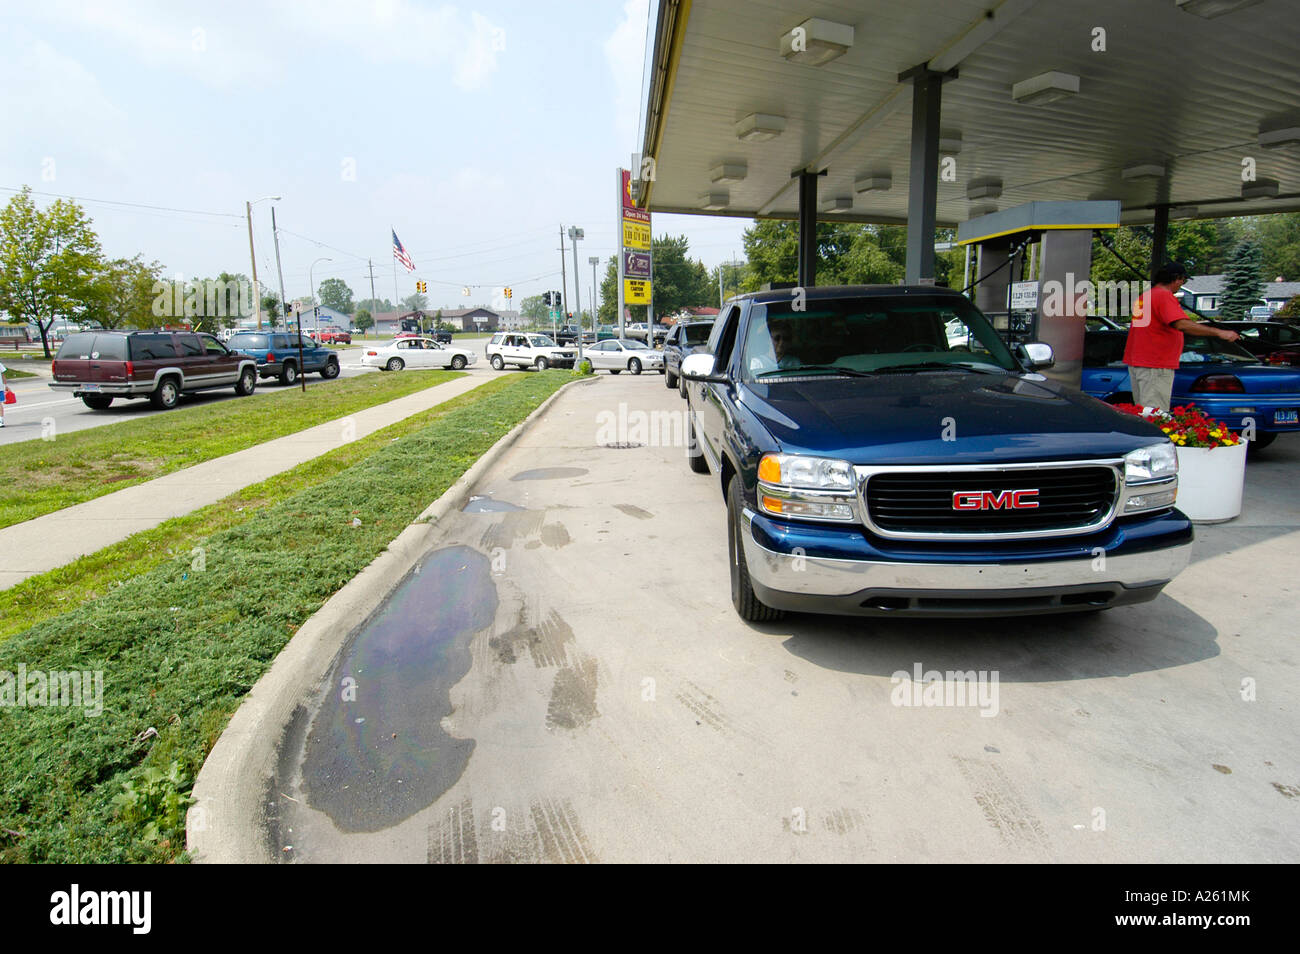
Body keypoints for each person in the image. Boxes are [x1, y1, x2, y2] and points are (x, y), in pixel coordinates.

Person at [1124, 261, 1239, 410]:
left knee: (1143, 411)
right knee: (1155, 413)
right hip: (1155, 364)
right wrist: (1219, 332)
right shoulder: (1163, 296)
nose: (1181, 284)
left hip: (1140, 362)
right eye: (1183, 280)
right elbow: (1182, 324)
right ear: (1176, 278)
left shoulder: (1146, 296)